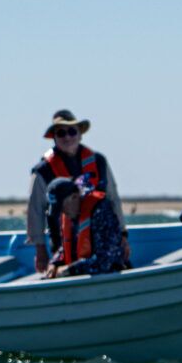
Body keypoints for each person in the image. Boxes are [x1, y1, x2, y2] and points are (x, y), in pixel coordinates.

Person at [26, 109, 130, 273]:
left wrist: (123, 235)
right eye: (61, 133)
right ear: (54, 137)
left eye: (72, 131)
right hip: (64, 244)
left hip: (101, 246)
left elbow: (113, 198)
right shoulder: (42, 171)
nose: (67, 137)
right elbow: (35, 211)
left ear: (80, 134)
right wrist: (42, 251)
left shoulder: (99, 161)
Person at [44, 177, 128, 278]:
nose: (62, 212)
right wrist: (54, 263)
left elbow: (106, 259)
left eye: (62, 207)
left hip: (106, 277)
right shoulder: (71, 214)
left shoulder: (101, 210)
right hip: (80, 277)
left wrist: (70, 270)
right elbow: (65, 248)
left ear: (75, 197)